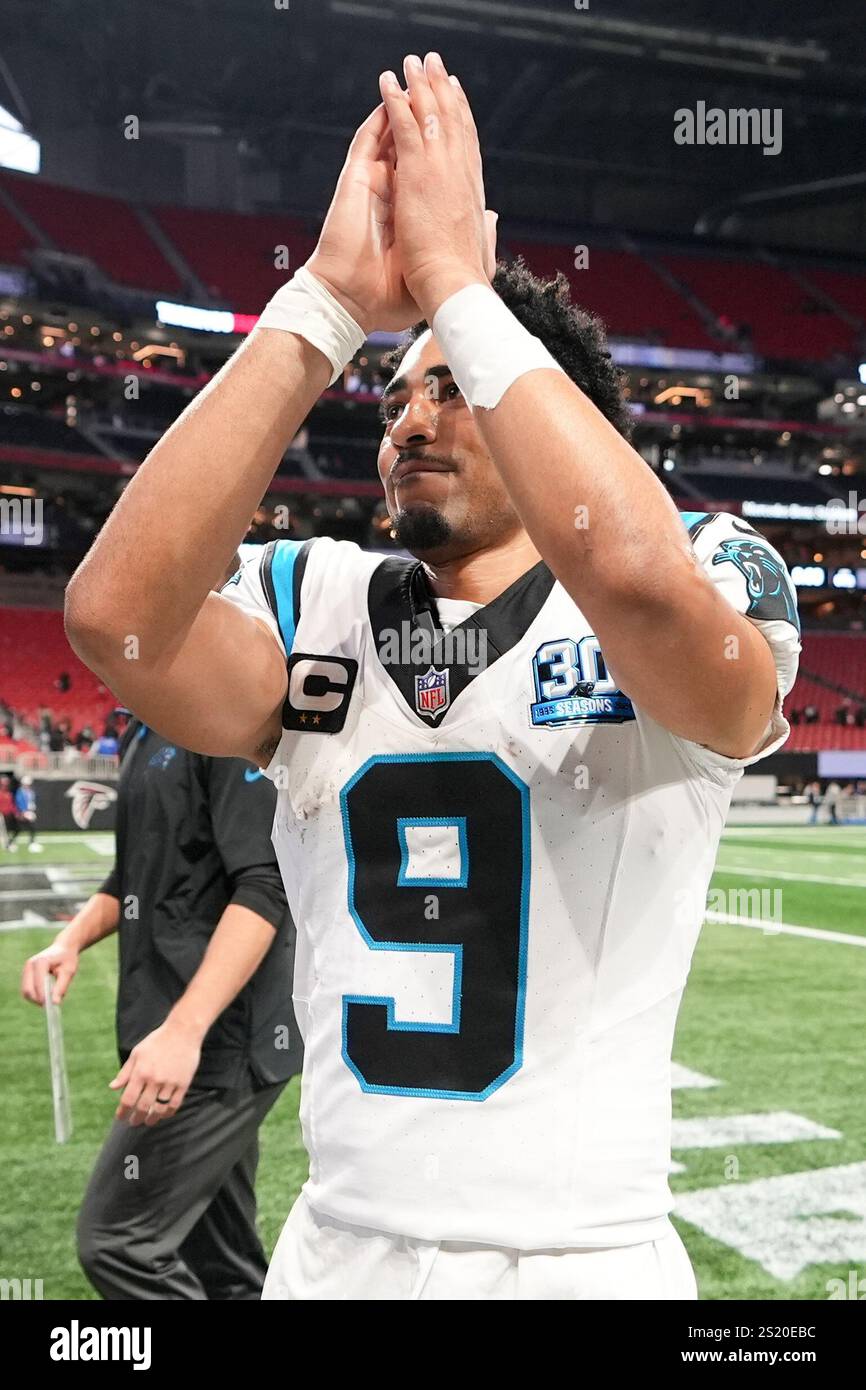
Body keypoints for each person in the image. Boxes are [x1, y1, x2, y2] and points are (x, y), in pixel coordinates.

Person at [65, 55, 800, 1301]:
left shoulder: (704, 568)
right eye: (397, 395)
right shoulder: (320, 600)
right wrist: (327, 302)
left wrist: (457, 282)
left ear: (544, 413)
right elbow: (113, 619)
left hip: (581, 1266)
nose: (404, 420)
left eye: (452, 388)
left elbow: (627, 575)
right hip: (339, 1249)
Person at [21, 596, 303, 1299]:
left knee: (118, 1244)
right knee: (224, 1265)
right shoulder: (149, 728)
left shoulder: (224, 719)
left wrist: (184, 1031)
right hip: (180, 1029)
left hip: (217, 1045)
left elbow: (265, 886)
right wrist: (71, 939)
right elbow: (135, 872)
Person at [12, 775, 40, 852]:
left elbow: (32, 801)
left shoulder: (31, 792)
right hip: (22, 812)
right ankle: (11, 842)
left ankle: (32, 842)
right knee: (19, 829)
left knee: (32, 827)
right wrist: (23, 812)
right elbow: (19, 802)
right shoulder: (20, 792)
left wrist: (32, 810)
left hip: (29, 811)